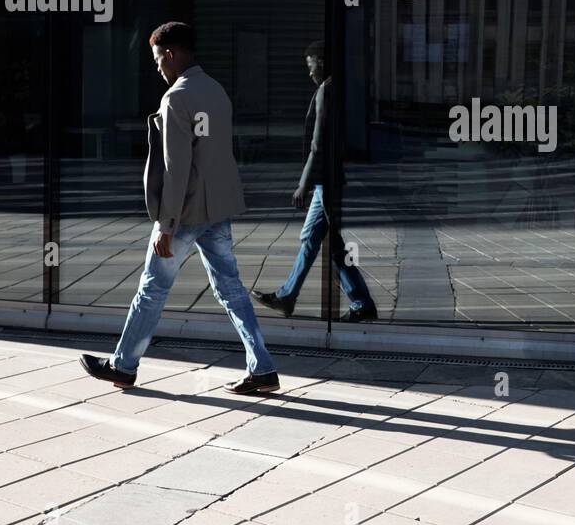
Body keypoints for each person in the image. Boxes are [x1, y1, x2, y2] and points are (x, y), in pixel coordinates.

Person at [79, 22, 279, 395]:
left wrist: (166, 224)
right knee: (231, 289)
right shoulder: (217, 91)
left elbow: (177, 167)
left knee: (152, 289)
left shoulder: (176, 98)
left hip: (186, 212)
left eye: (158, 60)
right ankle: (263, 368)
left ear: (170, 55)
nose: (157, 68)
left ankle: (123, 366)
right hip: (217, 208)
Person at [253, 41, 378, 322]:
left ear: (321, 61)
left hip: (325, 180)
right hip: (331, 178)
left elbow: (317, 144)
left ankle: (291, 297)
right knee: (325, 242)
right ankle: (358, 303)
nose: (309, 74)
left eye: (310, 66)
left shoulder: (327, 90)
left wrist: (303, 183)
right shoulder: (344, 88)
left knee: (317, 239)